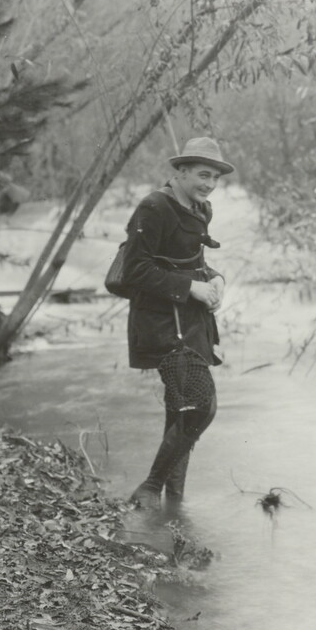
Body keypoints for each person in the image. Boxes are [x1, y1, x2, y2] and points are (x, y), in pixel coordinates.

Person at [119, 137, 230, 509]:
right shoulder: (154, 207)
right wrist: (191, 289)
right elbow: (135, 270)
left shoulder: (200, 209)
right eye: (202, 175)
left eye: (214, 177)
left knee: (183, 411)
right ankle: (150, 489)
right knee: (201, 407)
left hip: (192, 322)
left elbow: (189, 261)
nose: (209, 184)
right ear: (179, 172)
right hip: (162, 324)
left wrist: (216, 280)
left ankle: (173, 505)